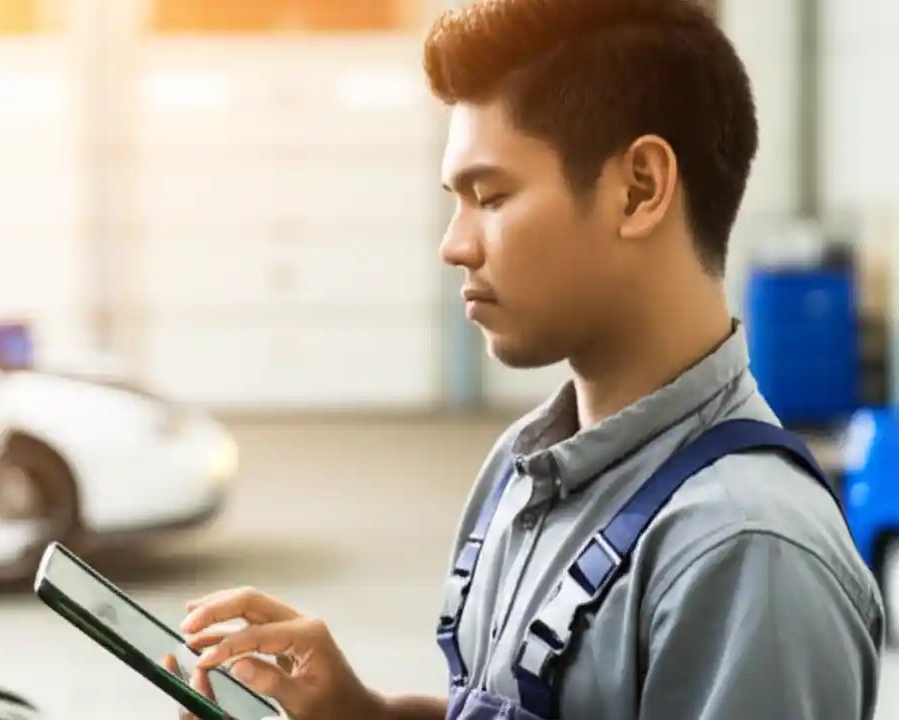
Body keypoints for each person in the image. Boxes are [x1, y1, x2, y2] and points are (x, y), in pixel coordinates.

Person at [172, 1, 885, 719]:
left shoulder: (745, 555)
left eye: (490, 196)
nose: (455, 244)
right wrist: (363, 715)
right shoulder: (525, 467)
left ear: (639, 187)